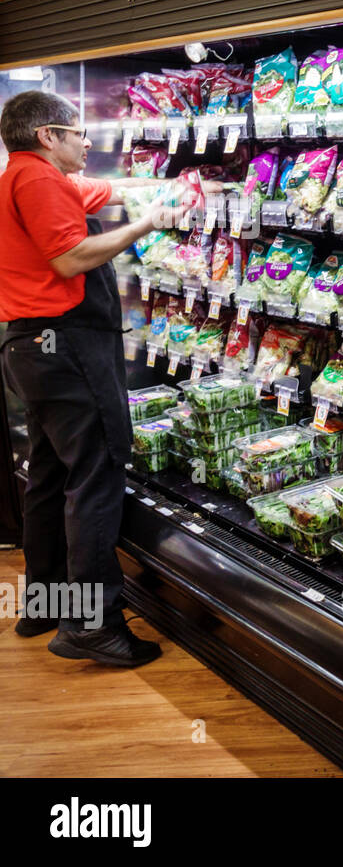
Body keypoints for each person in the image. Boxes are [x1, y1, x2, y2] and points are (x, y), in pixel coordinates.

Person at [0, 91, 189, 667]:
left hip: (35, 347)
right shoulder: (36, 181)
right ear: (47, 136)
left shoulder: (28, 176)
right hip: (64, 346)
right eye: (77, 131)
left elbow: (98, 191)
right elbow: (72, 257)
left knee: (52, 474)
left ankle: (45, 600)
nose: (88, 140)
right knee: (96, 473)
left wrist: (156, 186)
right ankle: (92, 625)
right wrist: (148, 223)